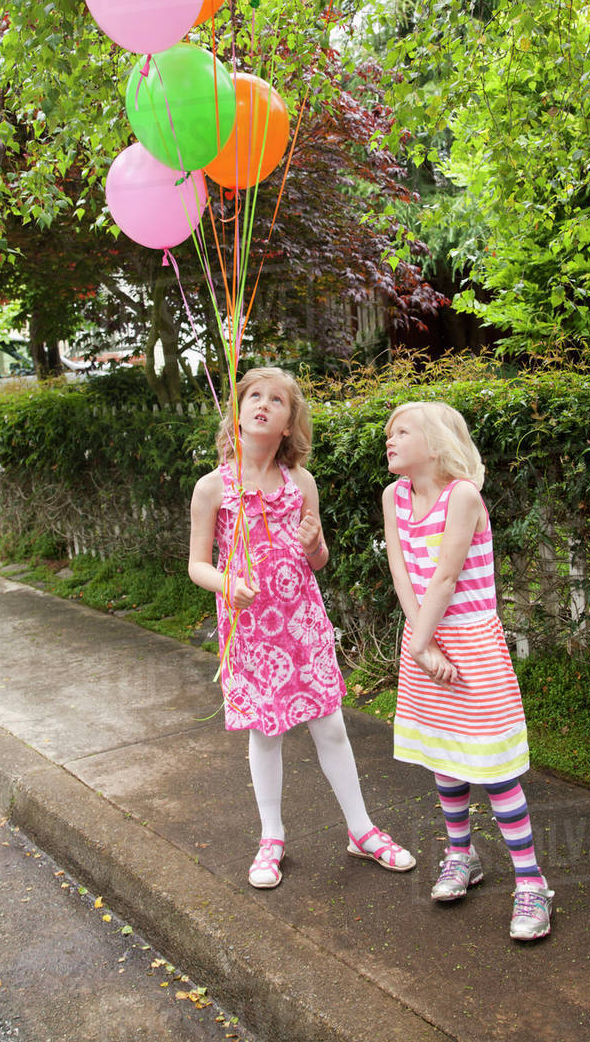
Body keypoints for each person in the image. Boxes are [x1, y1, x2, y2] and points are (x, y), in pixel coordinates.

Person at [188, 366, 415, 889]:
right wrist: (225, 583)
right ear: (240, 411)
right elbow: (197, 564)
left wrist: (313, 541)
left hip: (302, 621)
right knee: (266, 733)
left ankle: (360, 830)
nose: (263, 405)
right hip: (250, 628)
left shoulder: (301, 483)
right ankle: (271, 837)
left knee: (330, 724)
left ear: (290, 424)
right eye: (254, 397)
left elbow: (317, 561)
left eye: (277, 401)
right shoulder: (212, 488)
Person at [382, 401, 554, 941]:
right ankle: (463, 856)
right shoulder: (394, 496)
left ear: (434, 444)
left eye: (401, 431)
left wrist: (424, 642)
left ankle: (532, 883)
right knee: (444, 753)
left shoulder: (463, 496)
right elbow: (402, 571)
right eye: (389, 433)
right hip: (425, 638)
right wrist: (420, 641)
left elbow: (447, 576)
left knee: (494, 765)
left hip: (471, 643)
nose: (389, 439)